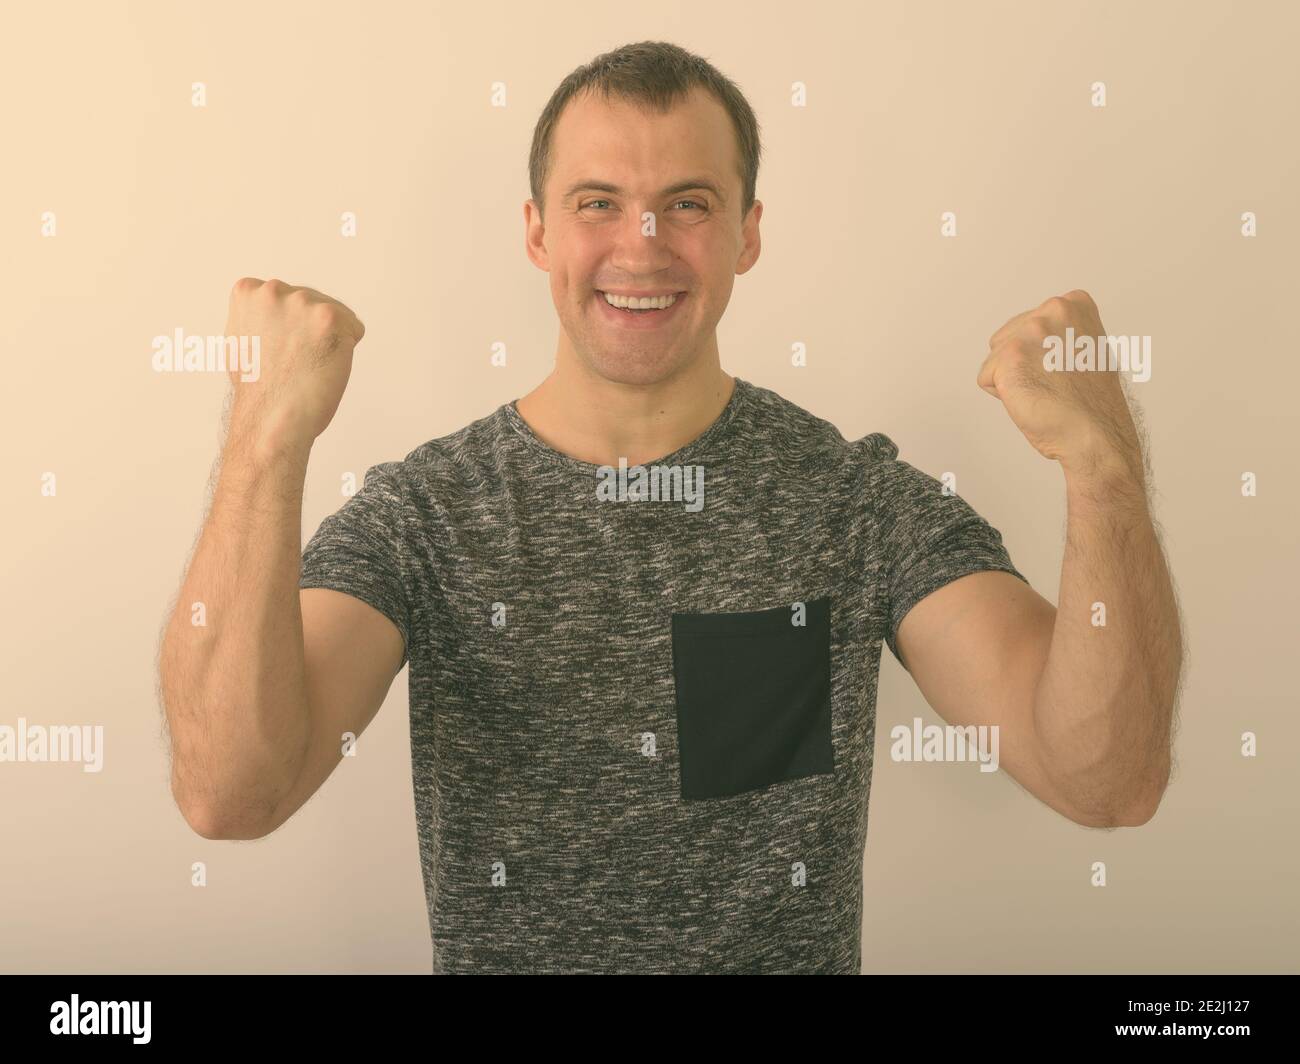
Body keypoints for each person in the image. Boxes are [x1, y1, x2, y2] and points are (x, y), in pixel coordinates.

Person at [158, 41, 1183, 974]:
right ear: (536, 231)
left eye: (687, 202)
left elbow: (1104, 779)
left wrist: (1105, 470)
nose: (641, 246)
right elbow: (231, 790)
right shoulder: (428, 515)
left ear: (746, 232)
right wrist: (263, 442)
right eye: (597, 201)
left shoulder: (853, 503)